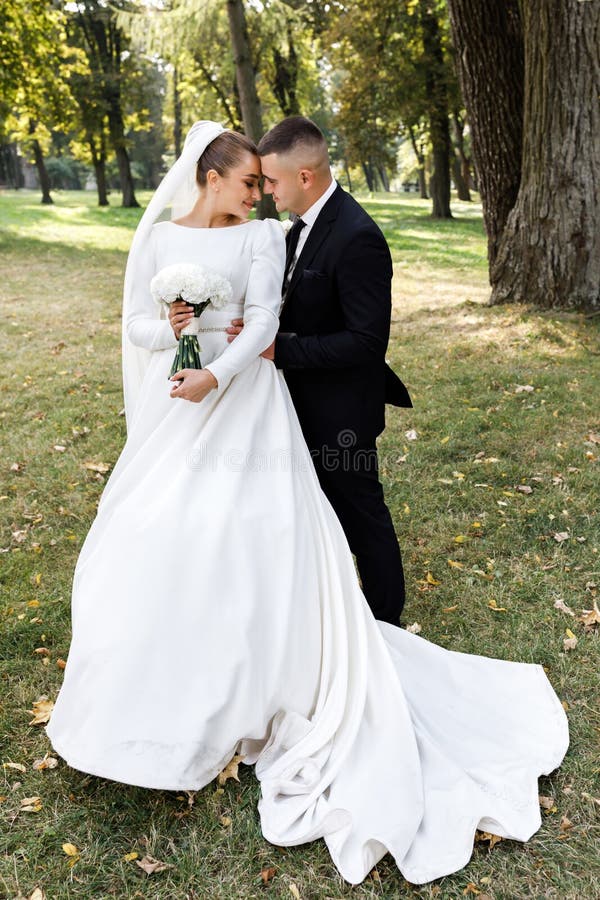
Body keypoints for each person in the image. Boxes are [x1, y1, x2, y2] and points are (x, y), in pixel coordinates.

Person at [45, 121, 569, 888]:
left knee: (284, 520)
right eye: (249, 181)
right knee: (167, 528)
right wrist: (172, 330)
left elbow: (272, 323)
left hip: (257, 399)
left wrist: (221, 370)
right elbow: (133, 324)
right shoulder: (164, 237)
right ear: (211, 177)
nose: (261, 194)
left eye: (268, 182)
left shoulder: (283, 237)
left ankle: (320, 648)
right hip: (184, 406)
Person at [170, 116, 410, 626]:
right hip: (294, 399)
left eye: (272, 181)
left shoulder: (357, 236)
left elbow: (367, 342)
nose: (266, 192)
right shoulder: (297, 227)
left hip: (341, 407)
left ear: (305, 177)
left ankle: (385, 620)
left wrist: (281, 347)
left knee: (359, 510)